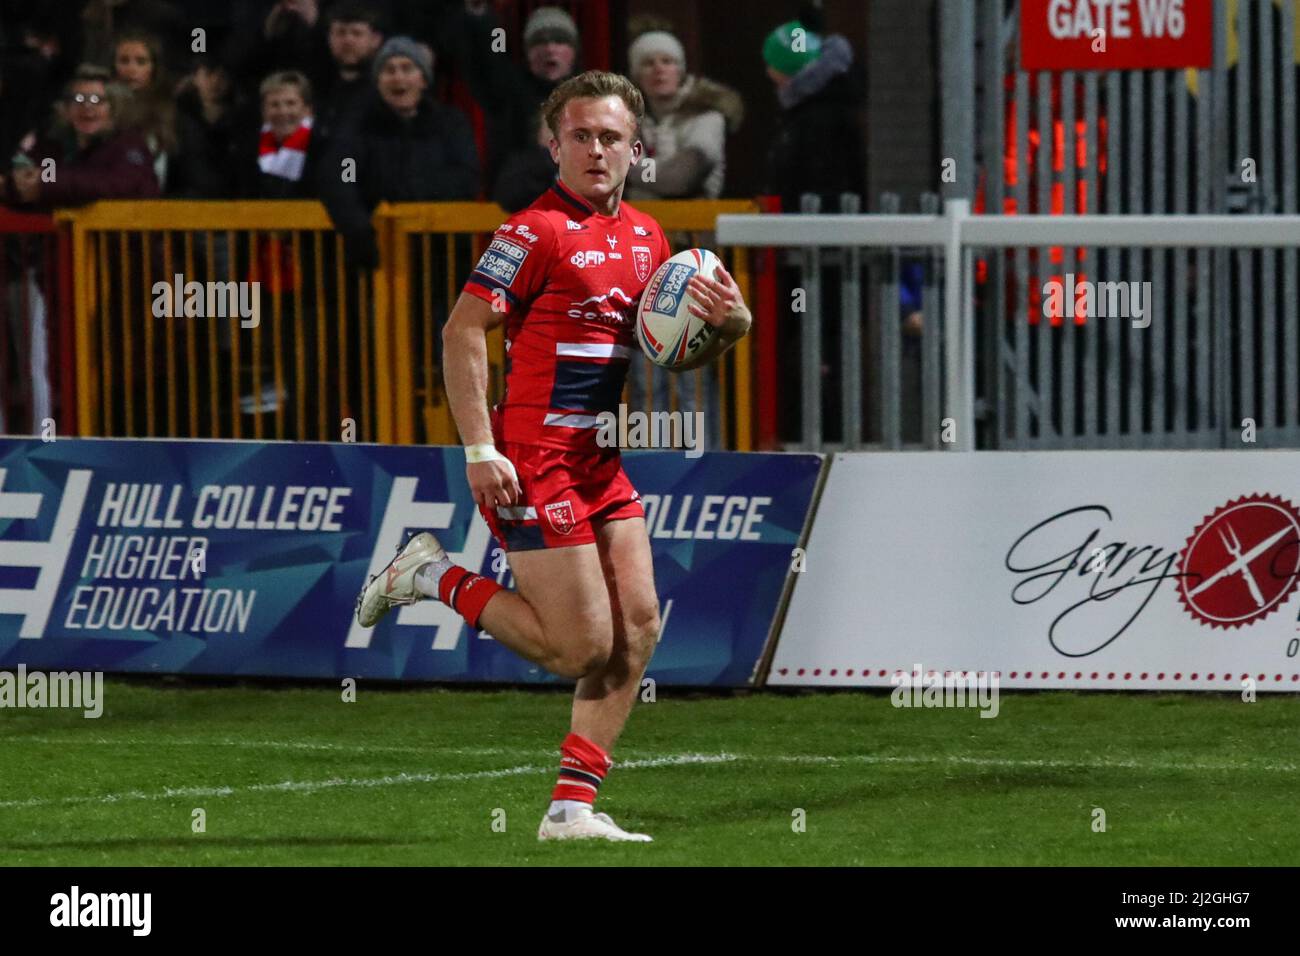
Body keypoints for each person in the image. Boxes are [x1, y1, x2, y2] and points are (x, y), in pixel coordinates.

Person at [354, 70, 753, 842]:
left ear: (638, 150)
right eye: (581, 136)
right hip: (533, 458)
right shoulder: (531, 232)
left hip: (599, 462)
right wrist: (479, 447)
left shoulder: (648, 239)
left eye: (611, 138)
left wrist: (732, 324)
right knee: (581, 647)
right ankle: (431, 573)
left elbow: (671, 351)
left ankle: (571, 811)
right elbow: (462, 332)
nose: (596, 150)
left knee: (637, 629)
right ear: (554, 145)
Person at [318, 35, 477, 269]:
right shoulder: (358, 125)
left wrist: (401, 191)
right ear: (378, 81)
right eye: (388, 70)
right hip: (380, 257)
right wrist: (358, 228)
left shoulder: (450, 123)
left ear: (423, 79)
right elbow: (340, 177)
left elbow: (466, 178)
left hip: (442, 257)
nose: (398, 77)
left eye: (407, 68)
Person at [625, 28, 742, 201]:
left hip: (695, 223)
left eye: (667, 61)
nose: (659, 69)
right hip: (644, 224)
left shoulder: (706, 115)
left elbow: (680, 179)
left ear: (680, 71)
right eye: (648, 63)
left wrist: (635, 173)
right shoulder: (628, 120)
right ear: (637, 75)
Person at [111, 31, 178, 191]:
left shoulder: (172, 115)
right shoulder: (98, 112)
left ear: (154, 68)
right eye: (124, 61)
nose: (131, 69)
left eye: (140, 62)